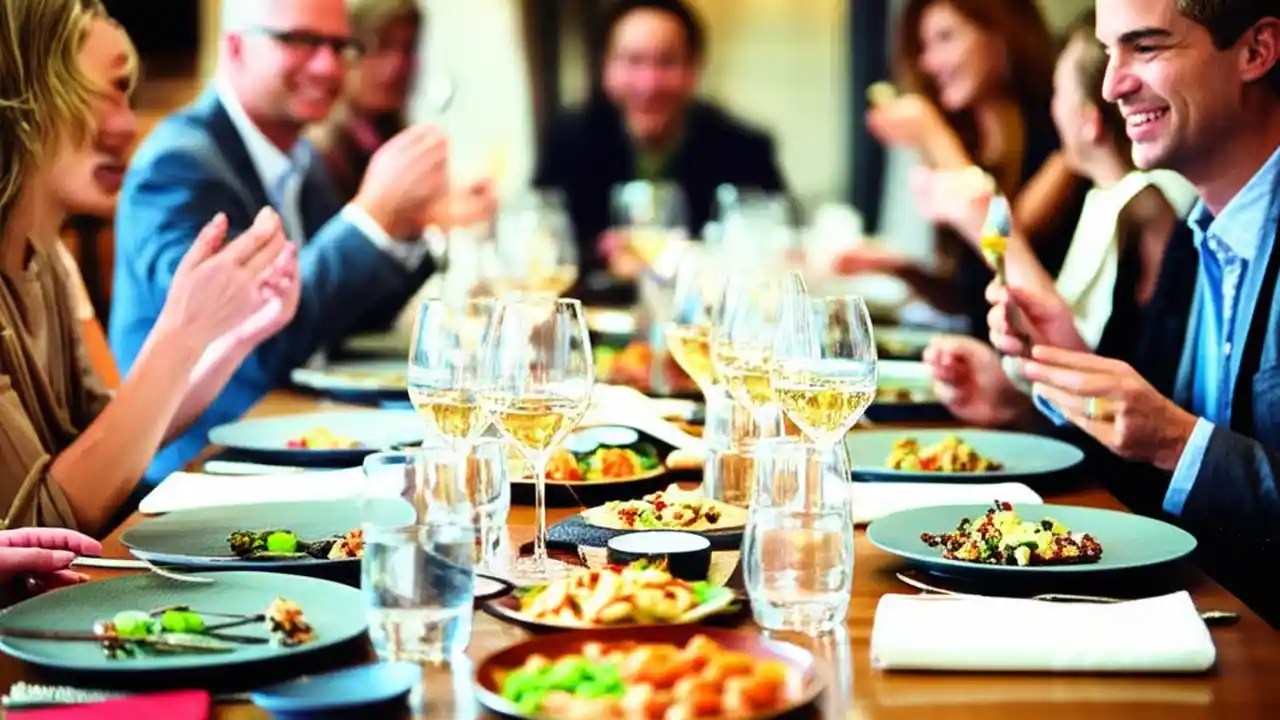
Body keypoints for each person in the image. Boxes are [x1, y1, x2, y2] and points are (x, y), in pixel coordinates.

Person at [988, 0, 1280, 625]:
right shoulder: (1197, 235)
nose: (1111, 84)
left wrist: (1178, 441)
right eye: (1110, 50)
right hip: (1203, 624)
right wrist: (1069, 360)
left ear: (1256, 52)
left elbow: (1183, 454)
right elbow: (1153, 491)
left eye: (1145, 48)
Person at [111, 0, 454, 482]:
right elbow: (250, 341)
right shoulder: (178, 165)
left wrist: (405, 226)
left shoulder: (300, 159)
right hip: (200, 466)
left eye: (339, 45)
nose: (328, 65)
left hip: (297, 435)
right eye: (299, 41)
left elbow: (345, 319)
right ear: (234, 47)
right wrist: (369, 220)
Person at [1, 0, 298, 534]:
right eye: (112, 90)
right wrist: (183, 331)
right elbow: (48, 519)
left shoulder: (52, 263)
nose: (127, 127)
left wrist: (232, 336)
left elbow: (116, 437)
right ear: (26, 99)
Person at [924, 8, 1200, 424]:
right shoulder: (1103, 199)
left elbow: (1130, 378)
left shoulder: (1144, 208)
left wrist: (984, 222)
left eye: (1057, 94)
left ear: (1089, 121)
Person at [835, 0, 1090, 340]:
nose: (929, 62)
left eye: (946, 38)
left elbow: (1003, 246)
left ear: (1001, 33)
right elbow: (971, 294)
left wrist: (933, 134)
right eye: (924, 47)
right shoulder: (970, 145)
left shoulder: (1062, 137)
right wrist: (902, 269)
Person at [532, 0, 787, 301]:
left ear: (694, 69)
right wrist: (598, 255)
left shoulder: (744, 148)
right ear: (606, 67)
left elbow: (774, 248)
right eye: (633, 61)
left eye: (667, 62)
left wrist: (690, 258)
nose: (648, 84)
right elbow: (542, 239)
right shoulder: (569, 139)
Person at [308, 0, 494, 225]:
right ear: (345, 50)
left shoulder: (392, 137)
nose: (397, 65)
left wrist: (449, 203)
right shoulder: (317, 156)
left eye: (408, 48)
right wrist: (429, 221)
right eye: (381, 46)